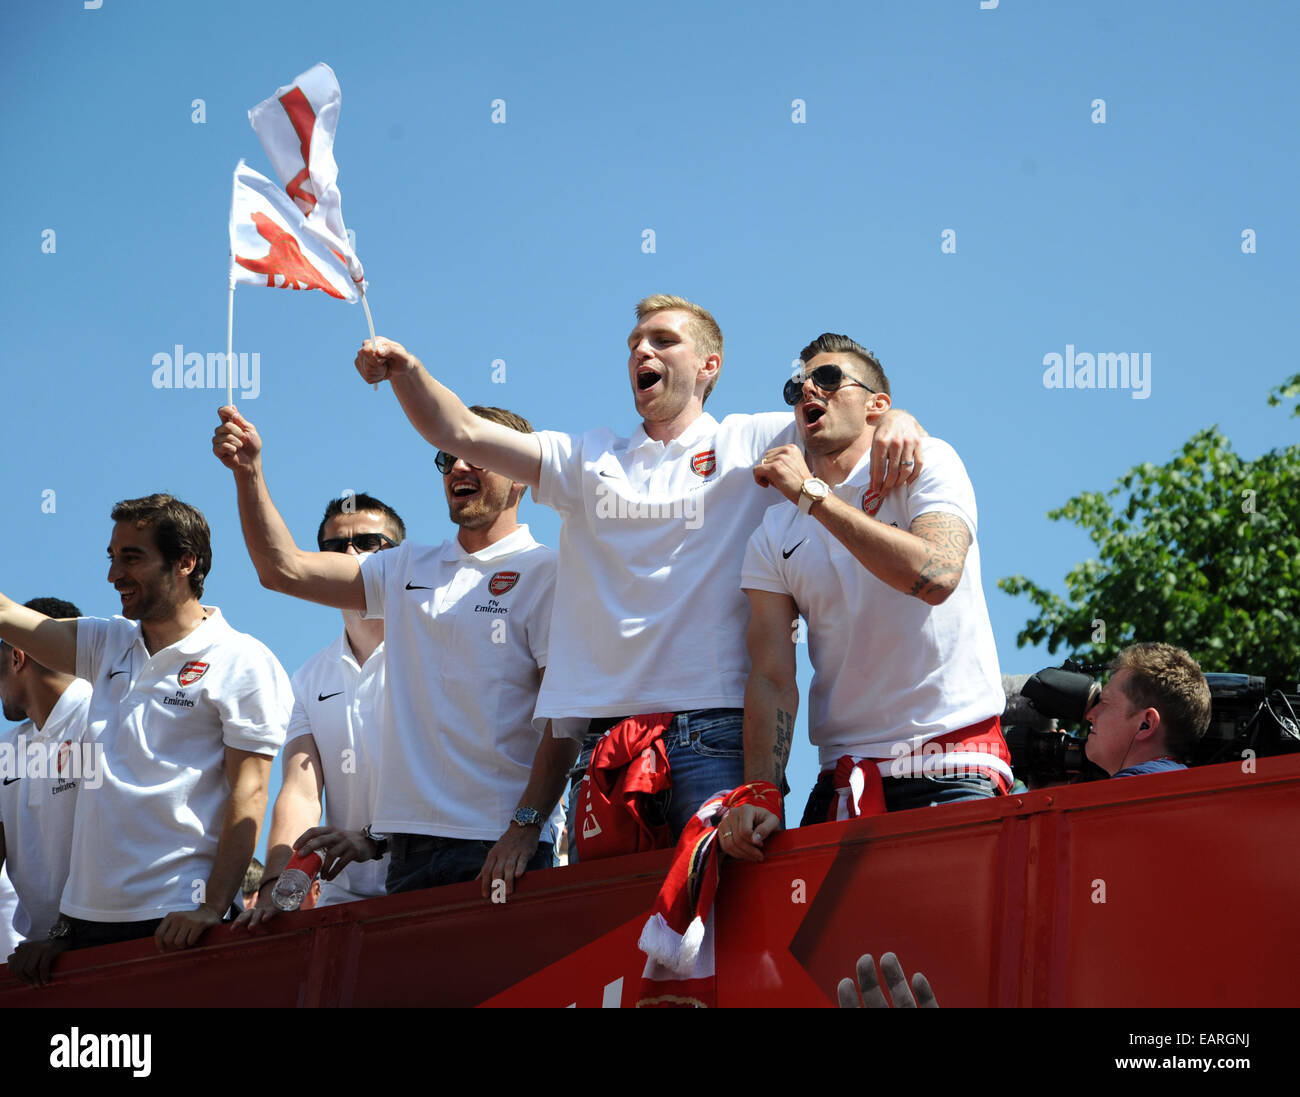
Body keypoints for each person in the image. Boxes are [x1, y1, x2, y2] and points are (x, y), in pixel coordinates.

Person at [352, 296, 925, 878]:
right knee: (612, 943)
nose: (641, 351)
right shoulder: (585, 460)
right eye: (633, 345)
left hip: (719, 734)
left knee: (722, 930)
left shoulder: (751, 439)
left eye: (662, 340)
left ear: (710, 365)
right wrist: (408, 372)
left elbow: (852, 418)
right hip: (607, 749)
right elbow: (461, 431)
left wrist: (899, 418)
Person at [212, 405, 562, 897]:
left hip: (502, 848)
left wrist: (525, 827)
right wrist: (249, 471)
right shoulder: (404, 569)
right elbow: (282, 570)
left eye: (476, 454)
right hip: (410, 857)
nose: (458, 467)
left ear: (523, 473)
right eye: (448, 458)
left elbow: (563, 720)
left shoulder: (550, 572)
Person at [722, 334, 1007, 863]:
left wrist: (814, 497)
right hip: (843, 778)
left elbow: (937, 574)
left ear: (878, 405)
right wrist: (761, 789)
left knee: (947, 946)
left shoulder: (930, 463)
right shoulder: (772, 531)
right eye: (798, 385)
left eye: (829, 378)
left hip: (952, 764)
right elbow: (771, 676)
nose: (809, 387)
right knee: (818, 948)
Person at [0, 495, 292, 986]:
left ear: (185, 562)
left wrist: (212, 907)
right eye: (112, 558)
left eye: (131, 557)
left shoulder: (243, 659)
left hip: (177, 919)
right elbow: (9, 616)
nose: (114, 575)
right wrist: (65, 930)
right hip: (84, 926)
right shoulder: (106, 643)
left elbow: (251, 793)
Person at [237, 494, 404, 925]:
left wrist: (376, 839)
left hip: (434, 883)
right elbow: (300, 794)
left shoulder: (436, 648)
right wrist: (276, 888)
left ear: (401, 556)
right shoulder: (309, 678)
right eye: (334, 547)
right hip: (344, 901)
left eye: (368, 542)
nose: (350, 555)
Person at [0, 598, 93, 944]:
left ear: (16, 657)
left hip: (107, 946)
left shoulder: (100, 719)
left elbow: (119, 846)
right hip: (42, 958)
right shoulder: (8, 747)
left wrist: (65, 935)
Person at [1083, 642, 1211, 777]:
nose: (1090, 715)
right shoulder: (1179, 782)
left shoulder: (1130, 786)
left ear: (1146, 724)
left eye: (1105, 703)